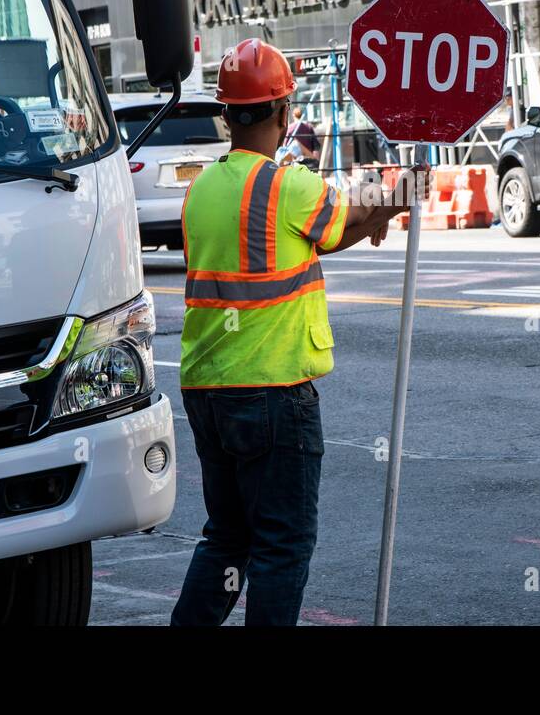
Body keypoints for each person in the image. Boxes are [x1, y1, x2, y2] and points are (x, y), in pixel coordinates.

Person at [171, 38, 425, 627]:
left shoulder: (199, 191)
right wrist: (398, 196)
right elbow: (345, 220)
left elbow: (320, 236)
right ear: (285, 115)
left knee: (227, 540)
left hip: (207, 393)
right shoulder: (287, 186)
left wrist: (377, 213)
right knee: (282, 549)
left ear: (226, 113)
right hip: (273, 395)